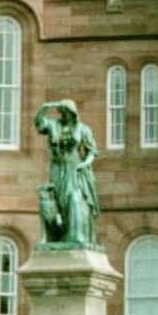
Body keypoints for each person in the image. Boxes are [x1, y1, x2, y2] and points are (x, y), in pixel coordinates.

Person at [34, 99, 101, 248]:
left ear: (72, 113)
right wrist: (45, 108)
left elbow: (92, 151)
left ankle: (75, 236)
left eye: (65, 111)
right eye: (61, 111)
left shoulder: (83, 129)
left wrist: (85, 163)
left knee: (73, 198)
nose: (62, 114)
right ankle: (56, 236)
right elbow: (39, 123)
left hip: (75, 167)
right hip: (57, 167)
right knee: (58, 200)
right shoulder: (53, 125)